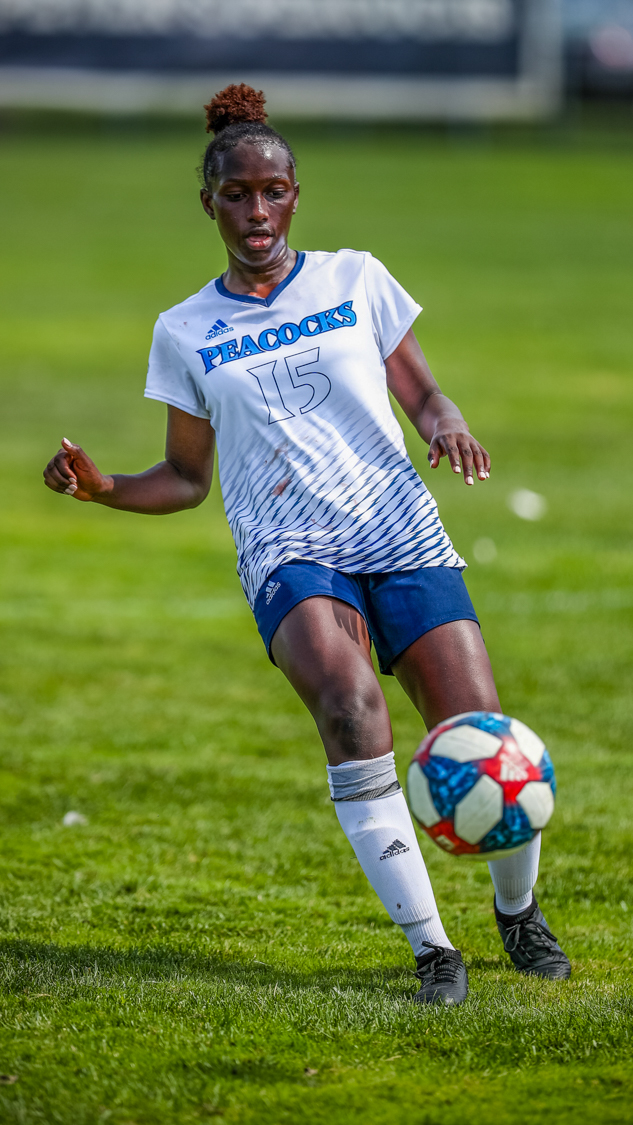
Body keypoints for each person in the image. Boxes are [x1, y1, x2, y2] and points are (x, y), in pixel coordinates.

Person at [43, 83, 570, 1004]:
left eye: (273, 191)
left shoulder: (355, 278)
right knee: (349, 706)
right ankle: (431, 948)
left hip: (397, 527)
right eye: (237, 195)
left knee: (483, 736)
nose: (257, 212)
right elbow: (186, 479)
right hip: (289, 548)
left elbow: (424, 396)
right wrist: (103, 489)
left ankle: (516, 913)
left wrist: (446, 423)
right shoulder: (185, 330)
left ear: (295, 192)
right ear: (208, 203)